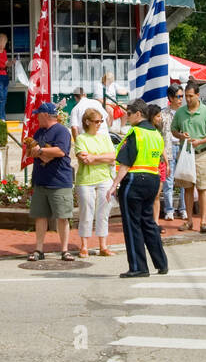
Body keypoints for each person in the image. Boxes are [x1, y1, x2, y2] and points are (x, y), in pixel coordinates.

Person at [108, 100, 168, 278]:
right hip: (153, 178)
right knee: (148, 221)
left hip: (135, 180)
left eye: (129, 112)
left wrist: (114, 185)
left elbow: (126, 162)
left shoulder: (136, 132)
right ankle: (161, 263)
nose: (127, 115)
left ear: (138, 114)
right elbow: (161, 158)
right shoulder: (156, 134)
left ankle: (138, 266)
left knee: (132, 224)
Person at [25, 101, 75, 261]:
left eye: (38, 114)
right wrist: (35, 151)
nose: (36, 117)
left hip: (59, 180)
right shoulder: (39, 132)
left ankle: (65, 250)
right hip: (41, 180)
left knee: (62, 216)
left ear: (46, 115)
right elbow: (31, 153)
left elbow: (61, 151)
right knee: (40, 216)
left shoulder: (62, 131)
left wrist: (41, 150)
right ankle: (39, 249)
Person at [171, 82, 206, 233]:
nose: (188, 99)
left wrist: (201, 141)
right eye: (186, 96)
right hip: (185, 153)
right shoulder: (180, 112)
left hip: (202, 153)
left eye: (191, 96)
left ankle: (203, 221)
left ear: (198, 95)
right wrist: (180, 135)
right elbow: (173, 129)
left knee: (203, 187)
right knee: (187, 187)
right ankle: (189, 220)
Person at [75, 107, 117, 257]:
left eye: (101, 121)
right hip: (86, 180)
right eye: (96, 121)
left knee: (103, 213)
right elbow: (84, 159)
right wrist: (102, 157)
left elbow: (113, 156)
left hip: (104, 178)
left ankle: (103, 245)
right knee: (86, 211)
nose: (99, 124)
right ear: (87, 122)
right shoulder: (81, 138)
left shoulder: (105, 137)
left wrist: (95, 157)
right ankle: (84, 245)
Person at [158, 85, 186, 223]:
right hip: (168, 148)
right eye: (177, 96)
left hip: (182, 148)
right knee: (168, 181)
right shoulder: (164, 114)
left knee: (183, 179)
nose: (180, 99)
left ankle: (183, 208)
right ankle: (169, 210)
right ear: (170, 98)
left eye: (182, 96)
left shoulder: (185, 113)